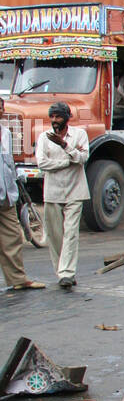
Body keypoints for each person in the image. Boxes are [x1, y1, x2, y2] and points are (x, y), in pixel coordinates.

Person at [35, 101, 90, 290]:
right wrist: (66, 162)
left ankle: (67, 273)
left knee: (71, 233)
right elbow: (42, 163)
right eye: (52, 117)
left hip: (76, 190)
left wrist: (65, 146)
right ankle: (61, 271)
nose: (54, 120)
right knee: (55, 235)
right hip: (53, 192)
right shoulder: (44, 137)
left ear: (67, 117)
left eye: (58, 117)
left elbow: (83, 158)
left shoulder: (79, 135)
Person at [0, 94, 45, 291]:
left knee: (12, 238)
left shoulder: (5, 133)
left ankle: (17, 279)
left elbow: (8, 164)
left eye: (1, 107)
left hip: (7, 195)